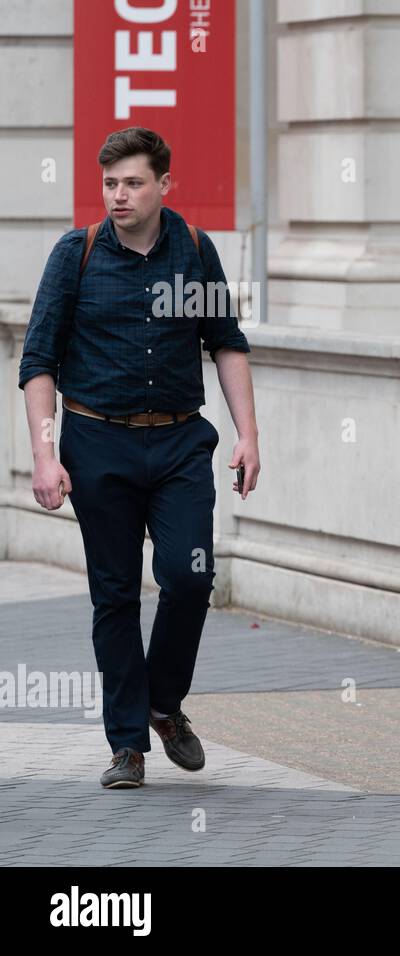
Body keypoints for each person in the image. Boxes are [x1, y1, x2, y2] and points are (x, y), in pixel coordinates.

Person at [18, 127, 259, 789]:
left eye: (131, 183)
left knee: (189, 577)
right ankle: (128, 744)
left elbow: (226, 342)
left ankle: (161, 702)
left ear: (163, 186)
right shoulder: (78, 254)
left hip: (181, 441)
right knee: (116, 595)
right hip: (97, 444)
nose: (118, 195)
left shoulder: (195, 250)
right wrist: (45, 456)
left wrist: (247, 434)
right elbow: (38, 362)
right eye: (109, 184)